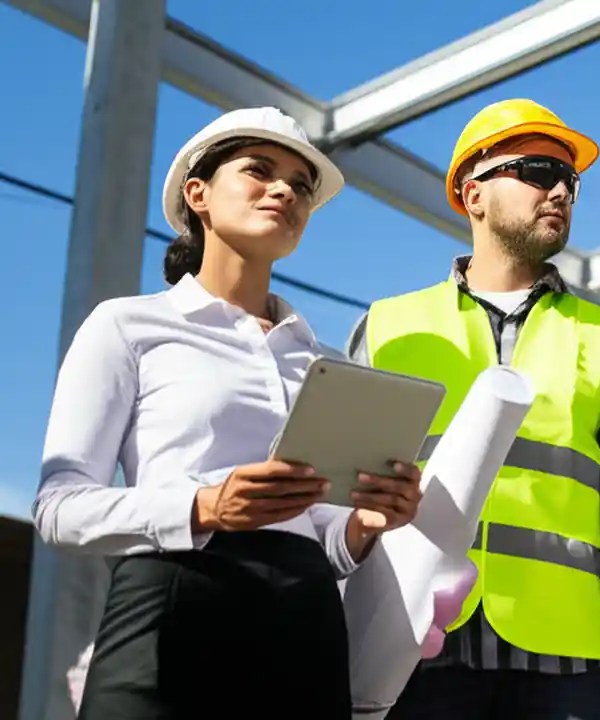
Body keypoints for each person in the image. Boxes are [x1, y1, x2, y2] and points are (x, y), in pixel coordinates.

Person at [33, 107, 423, 720]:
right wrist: (205, 505)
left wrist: (365, 525)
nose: (285, 191)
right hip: (172, 605)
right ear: (199, 194)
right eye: (260, 171)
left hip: (306, 624)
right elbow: (58, 509)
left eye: (300, 185)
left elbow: (324, 539)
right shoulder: (127, 326)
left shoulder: (323, 362)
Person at [345, 98, 600, 720]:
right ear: (472, 194)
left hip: (564, 659)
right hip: (415, 644)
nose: (559, 190)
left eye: (569, 181)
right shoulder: (388, 327)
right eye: (535, 172)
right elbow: (344, 495)